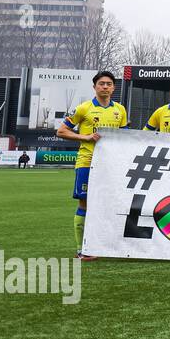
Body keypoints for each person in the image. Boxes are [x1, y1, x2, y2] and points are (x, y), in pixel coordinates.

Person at [56, 70, 128, 259]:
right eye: (101, 84)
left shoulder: (120, 110)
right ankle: (82, 249)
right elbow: (61, 131)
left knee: (109, 204)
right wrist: (85, 137)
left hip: (111, 165)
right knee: (85, 203)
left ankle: (104, 245)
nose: (105, 87)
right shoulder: (83, 108)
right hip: (87, 162)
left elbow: (125, 137)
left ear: (114, 87)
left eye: (109, 84)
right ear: (94, 86)